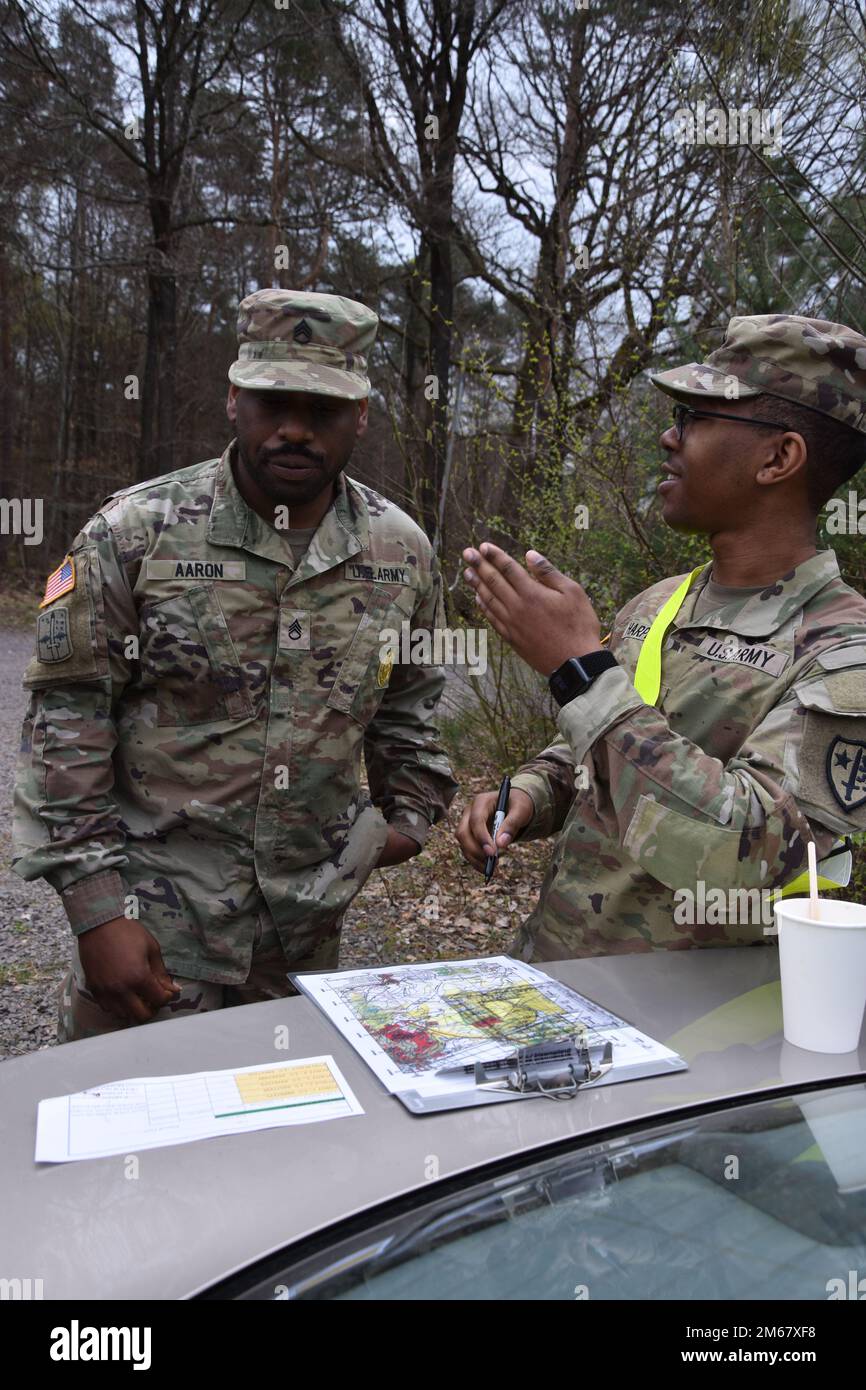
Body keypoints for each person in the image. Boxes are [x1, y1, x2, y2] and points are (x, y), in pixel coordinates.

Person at [13, 288, 457, 1039]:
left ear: (362, 416)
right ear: (232, 399)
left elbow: (411, 712)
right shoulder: (135, 533)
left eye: (322, 411)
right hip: (152, 932)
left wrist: (405, 821)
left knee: (278, 1140)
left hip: (301, 946)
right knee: (120, 1137)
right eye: (271, 403)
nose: (294, 431)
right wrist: (96, 913)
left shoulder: (401, 552)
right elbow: (67, 723)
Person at [457, 313, 866, 958]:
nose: (668, 436)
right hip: (563, 978)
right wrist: (531, 794)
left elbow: (745, 850)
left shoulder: (845, 653)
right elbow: (598, 746)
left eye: (697, 418)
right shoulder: (659, 602)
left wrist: (580, 669)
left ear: (780, 457)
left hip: (699, 1030)